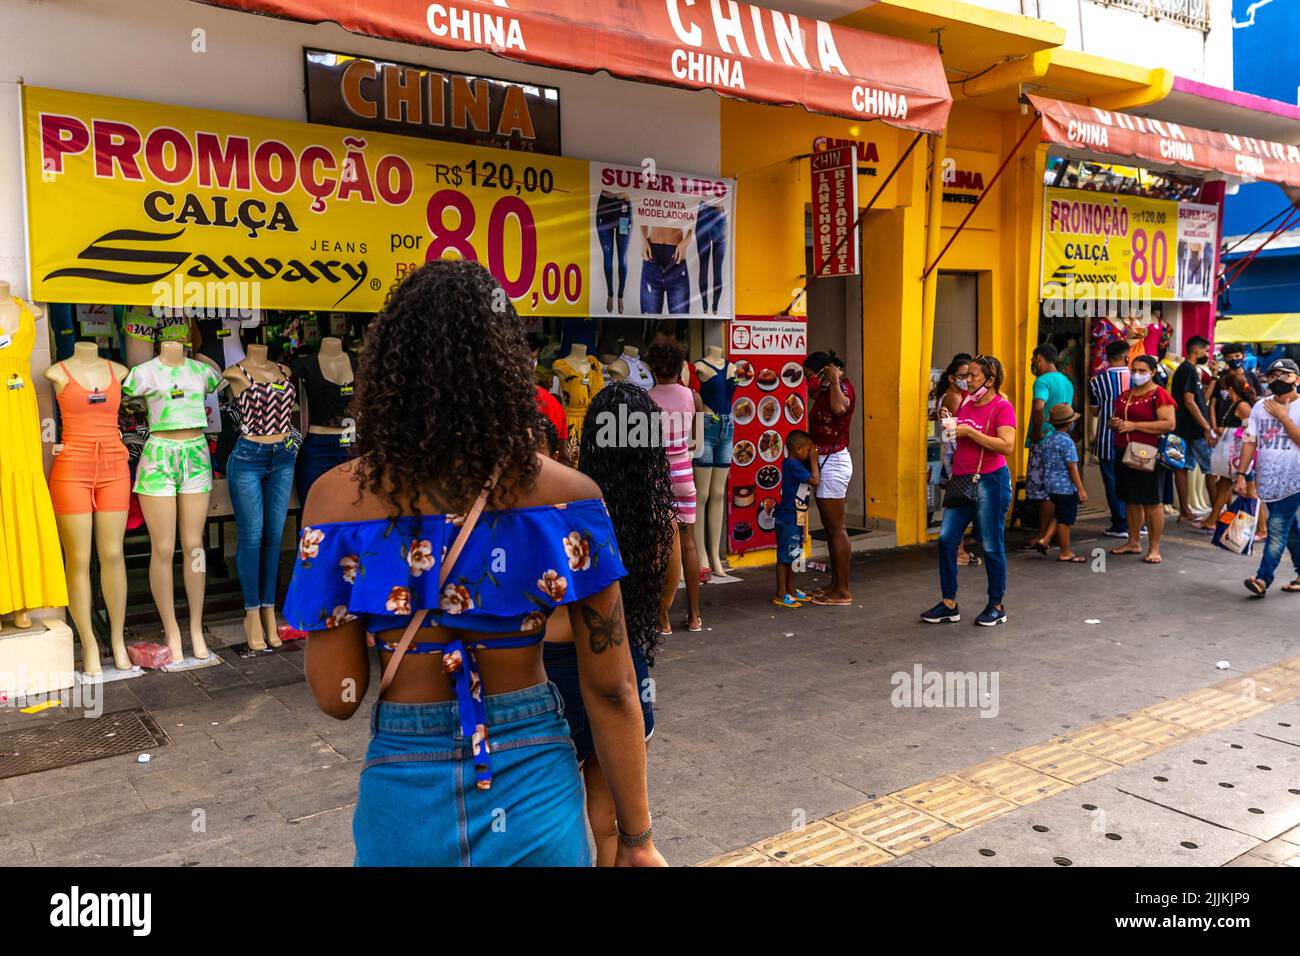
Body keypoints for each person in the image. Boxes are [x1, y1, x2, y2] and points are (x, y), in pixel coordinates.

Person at [283, 260, 663, 867]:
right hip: (532, 773)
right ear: (508, 368)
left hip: (404, 792)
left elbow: (339, 696)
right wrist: (637, 842)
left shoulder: (335, 499)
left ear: (388, 372)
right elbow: (614, 690)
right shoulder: (568, 497)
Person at [541, 383, 676, 865]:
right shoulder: (658, 519)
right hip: (620, 662)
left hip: (551, 666)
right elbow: (667, 590)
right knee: (611, 810)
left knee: (551, 804)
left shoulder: (566, 507)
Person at [922, 355, 1017, 627]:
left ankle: (996, 605)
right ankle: (949, 603)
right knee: (947, 539)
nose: (967, 379)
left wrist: (970, 432)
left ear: (990, 380)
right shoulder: (964, 400)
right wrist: (948, 422)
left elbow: (1007, 445)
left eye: (973, 375)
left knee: (990, 543)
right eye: (966, 375)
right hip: (961, 478)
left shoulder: (1002, 407)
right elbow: (954, 438)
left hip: (991, 480)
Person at [646, 340, 704, 633]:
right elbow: (698, 442)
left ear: (652, 367)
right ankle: (693, 615)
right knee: (688, 544)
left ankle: (663, 616)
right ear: (681, 366)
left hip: (657, 478)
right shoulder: (693, 397)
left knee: (661, 546)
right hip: (684, 476)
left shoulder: (645, 399)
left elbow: (642, 444)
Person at [1109, 355, 1177, 565]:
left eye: (1142, 370)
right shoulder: (1126, 395)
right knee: (1131, 499)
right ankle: (1133, 541)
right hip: (1124, 450)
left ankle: (1154, 548)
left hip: (1149, 453)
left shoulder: (1159, 395)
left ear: (1153, 372)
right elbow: (1118, 417)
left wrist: (1134, 426)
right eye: (1135, 370)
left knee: (1151, 500)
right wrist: (1115, 423)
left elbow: (1168, 424)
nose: (1137, 374)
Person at [1240, 359, 1300, 596]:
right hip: (1267, 481)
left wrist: (1283, 417)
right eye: (1273, 376)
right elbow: (1249, 441)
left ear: (1296, 379)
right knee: (1291, 529)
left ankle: (1263, 579)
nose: (1277, 380)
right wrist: (1241, 474)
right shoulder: (1259, 406)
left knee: (1277, 527)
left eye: (1283, 375)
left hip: (1294, 480)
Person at [805, 350, 856, 606]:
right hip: (825, 460)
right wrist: (824, 381)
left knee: (837, 529)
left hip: (833, 462)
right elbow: (816, 395)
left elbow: (839, 408)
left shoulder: (842, 387)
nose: (807, 382)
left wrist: (833, 379)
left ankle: (843, 591)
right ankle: (835, 583)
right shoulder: (825, 388)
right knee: (830, 527)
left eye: (808, 376)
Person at [1023, 344, 1075, 553]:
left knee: (1042, 491)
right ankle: (1051, 535)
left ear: (1040, 358)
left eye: (1035, 358)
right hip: (1062, 437)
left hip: (1044, 440)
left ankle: (1042, 534)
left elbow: (1038, 406)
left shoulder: (1042, 381)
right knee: (1057, 488)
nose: (1034, 363)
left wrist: (1037, 431)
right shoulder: (1066, 381)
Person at [1029, 404, 1089, 562]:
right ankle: (1065, 551)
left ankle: (1045, 539)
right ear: (1070, 424)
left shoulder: (1047, 439)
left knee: (1059, 513)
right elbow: (1071, 466)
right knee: (1065, 520)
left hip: (1050, 485)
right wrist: (1081, 489)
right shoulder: (1067, 442)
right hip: (1065, 487)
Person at [936, 353, 979, 566]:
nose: (968, 380)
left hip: (955, 456)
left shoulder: (958, 396)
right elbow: (951, 434)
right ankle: (957, 550)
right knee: (960, 503)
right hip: (956, 458)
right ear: (953, 378)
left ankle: (958, 548)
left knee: (960, 503)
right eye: (964, 375)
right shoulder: (953, 398)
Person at [1203, 368, 1258, 533]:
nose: (1223, 392)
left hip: (1242, 455)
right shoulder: (1234, 404)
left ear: (1230, 389)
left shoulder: (1242, 406)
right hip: (1234, 454)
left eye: (1225, 388)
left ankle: (1261, 528)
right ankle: (1214, 520)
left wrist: (1228, 431)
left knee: (1251, 492)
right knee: (1223, 485)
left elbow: (1250, 428)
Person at [1170, 336, 1217, 523]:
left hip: (1184, 428)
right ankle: (1216, 513)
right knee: (1212, 469)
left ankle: (1186, 511)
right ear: (1195, 351)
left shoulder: (1190, 371)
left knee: (1183, 468)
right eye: (1205, 351)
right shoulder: (1188, 370)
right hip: (1194, 429)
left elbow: (1201, 398)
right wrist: (1206, 427)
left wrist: (1214, 377)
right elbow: (1189, 402)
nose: (1207, 354)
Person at [1088, 339, 1132, 538]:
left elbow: (1095, 411)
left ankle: (1120, 524)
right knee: (1134, 479)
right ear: (1126, 356)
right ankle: (1137, 523)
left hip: (1107, 438)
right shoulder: (1136, 377)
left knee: (1112, 481)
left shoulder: (1096, 381)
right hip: (1132, 437)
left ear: (1107, 357)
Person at [772, 430, 820, 608]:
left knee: (793, 556)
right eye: (808, 451)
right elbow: (815, 480)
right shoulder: (792, 465)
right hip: (788, 519)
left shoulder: (796, 464)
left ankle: (791, 589)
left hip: (796, 518)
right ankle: (780, 593)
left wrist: (811, 458)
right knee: (785, 557)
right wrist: (814, 460)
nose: (810, 454)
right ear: (798, 450)